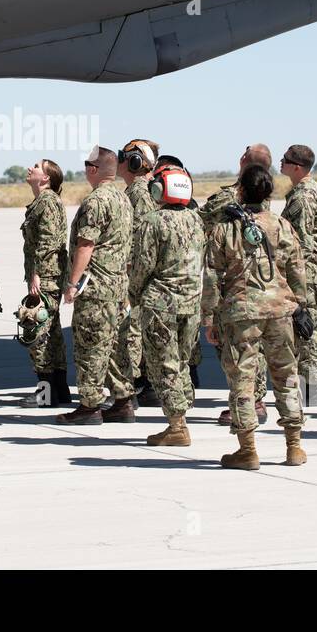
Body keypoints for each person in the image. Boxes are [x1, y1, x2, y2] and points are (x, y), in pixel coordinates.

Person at [203, 165, 308, 468]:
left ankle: (247, 449)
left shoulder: (225, 229)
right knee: (286, 377)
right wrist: (300, 305)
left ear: (241, 191)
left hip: (242, 314)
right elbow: (297, 269)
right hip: (280, 311)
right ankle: (294, 446)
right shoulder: (282, 226)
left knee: (242, 380)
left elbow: (211, 276)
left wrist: (209, 318)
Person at [128, 162, 204, 446]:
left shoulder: (152, 221)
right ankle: (181, 415)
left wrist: (135, 295)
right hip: (191, 303)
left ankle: (176, 426)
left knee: (164, 365)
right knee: (181, 362)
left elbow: (141, 267)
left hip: (161, 305)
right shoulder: (196, 219)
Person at [56, 146, 133, 425]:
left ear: (93, 169)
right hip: (117, 287)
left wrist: (72, 283)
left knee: (89, 346)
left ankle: (89, 407)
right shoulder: (123, 200)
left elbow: (86, 245)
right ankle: (123, 401)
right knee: (113, 346)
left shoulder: (96, 201)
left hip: (96, 287)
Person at [199, 144, 273, 424]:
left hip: (233, 282)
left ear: (243, 160)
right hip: (260, 281)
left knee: (231, 347)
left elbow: (201, 219)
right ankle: (257, 400)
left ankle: (246, 403)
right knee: (256, 345)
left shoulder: (231, 195)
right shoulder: (263, 196)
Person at [280, 145, 317, 406]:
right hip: (314, 269)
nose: (281, 163)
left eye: (285, 160)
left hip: (306, 272)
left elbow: (300, 244)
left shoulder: (302, 198)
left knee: (306, 329)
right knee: (306, 326)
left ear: (297, 167)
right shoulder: (315, 190)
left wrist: (292, 278)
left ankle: (313, 388)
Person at [20, 158, 71, 405]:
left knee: (36, 329)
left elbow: (48, 242)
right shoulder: (42, 201)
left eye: (36, 167)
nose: (31, 169)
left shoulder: (48, 202)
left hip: (46, 276)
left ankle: (45, 395)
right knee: (52, 332)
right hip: (48, 274)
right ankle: (59, 390)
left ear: (46, 178)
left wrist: (36, 275)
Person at [117, 139, 160, 408]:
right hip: (135, 274)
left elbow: (143, 240)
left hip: (137, 276)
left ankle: (132, 389)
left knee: (132, 330)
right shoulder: (133, 191)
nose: (119, 160)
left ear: (135, 163)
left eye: (124, 156)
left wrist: (132, 277)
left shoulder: (140, 194)